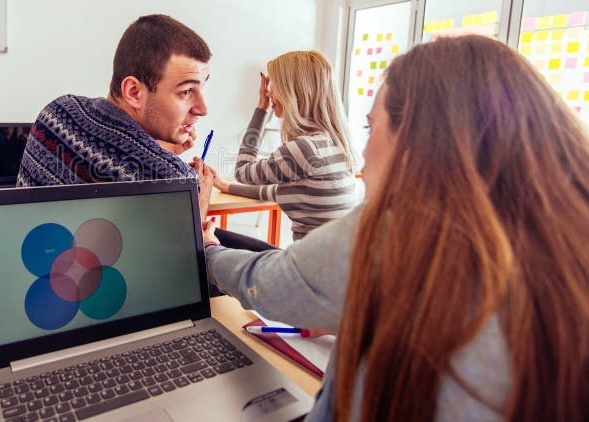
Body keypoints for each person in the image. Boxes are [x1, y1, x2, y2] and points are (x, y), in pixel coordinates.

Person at [202, 35, 589, 421]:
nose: (365, 158)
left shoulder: (397, 235)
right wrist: (227, 188)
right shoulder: (555, 249)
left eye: (373, 128)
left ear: (417, 140)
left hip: (310, 274)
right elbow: (276, 188)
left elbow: (262, 279)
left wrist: (209, 249)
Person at [17, 14, 215, 215]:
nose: (202, 109)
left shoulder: (57, 110)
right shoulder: (171, 179)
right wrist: (200, 196)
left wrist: (156, 152)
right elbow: (185, 245)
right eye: (186, 91)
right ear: (134, 92)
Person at [212, 50, 358, 241]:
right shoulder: (334, 144)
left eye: (276, 85)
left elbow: (242, 171)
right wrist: (226, 186)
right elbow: (278, 192)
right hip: (333, 263)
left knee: (210, 240)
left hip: (310, 265)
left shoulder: (303, 149)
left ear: (293, 92)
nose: (269, 91)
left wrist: (261, 108)